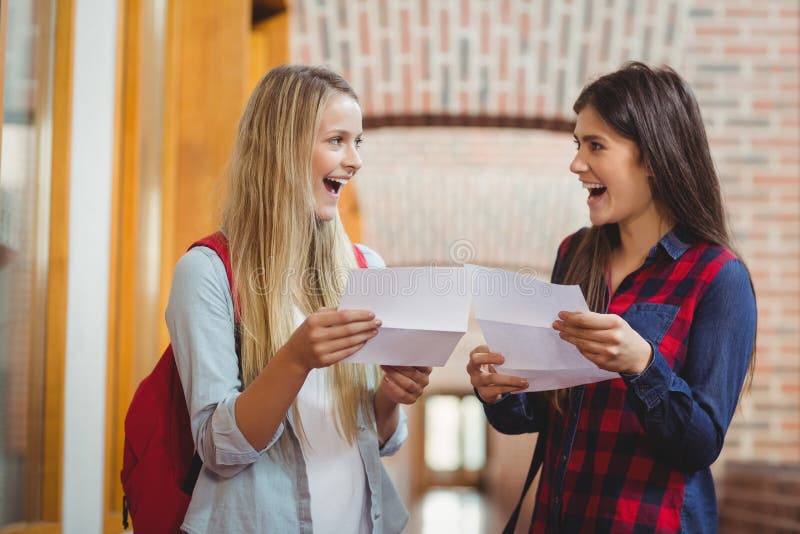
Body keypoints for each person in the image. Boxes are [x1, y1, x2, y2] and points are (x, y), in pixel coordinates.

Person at [466, 62, 757, 533]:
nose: (576, 164)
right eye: (577, 144)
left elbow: (700, 443)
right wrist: (498, 391)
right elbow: (547, 413)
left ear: (654, 158)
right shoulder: (574, 252)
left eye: (595, 146)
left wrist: (642, 365)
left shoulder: (718, 277)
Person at [167, 65, 431, 533]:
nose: (355, 161)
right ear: (281, 149)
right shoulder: (207, 272)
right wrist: (295, 359)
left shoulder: (366, 267)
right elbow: (218, 449)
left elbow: (383, 442)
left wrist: (389, 397)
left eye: (358, 142)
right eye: (336, 141)